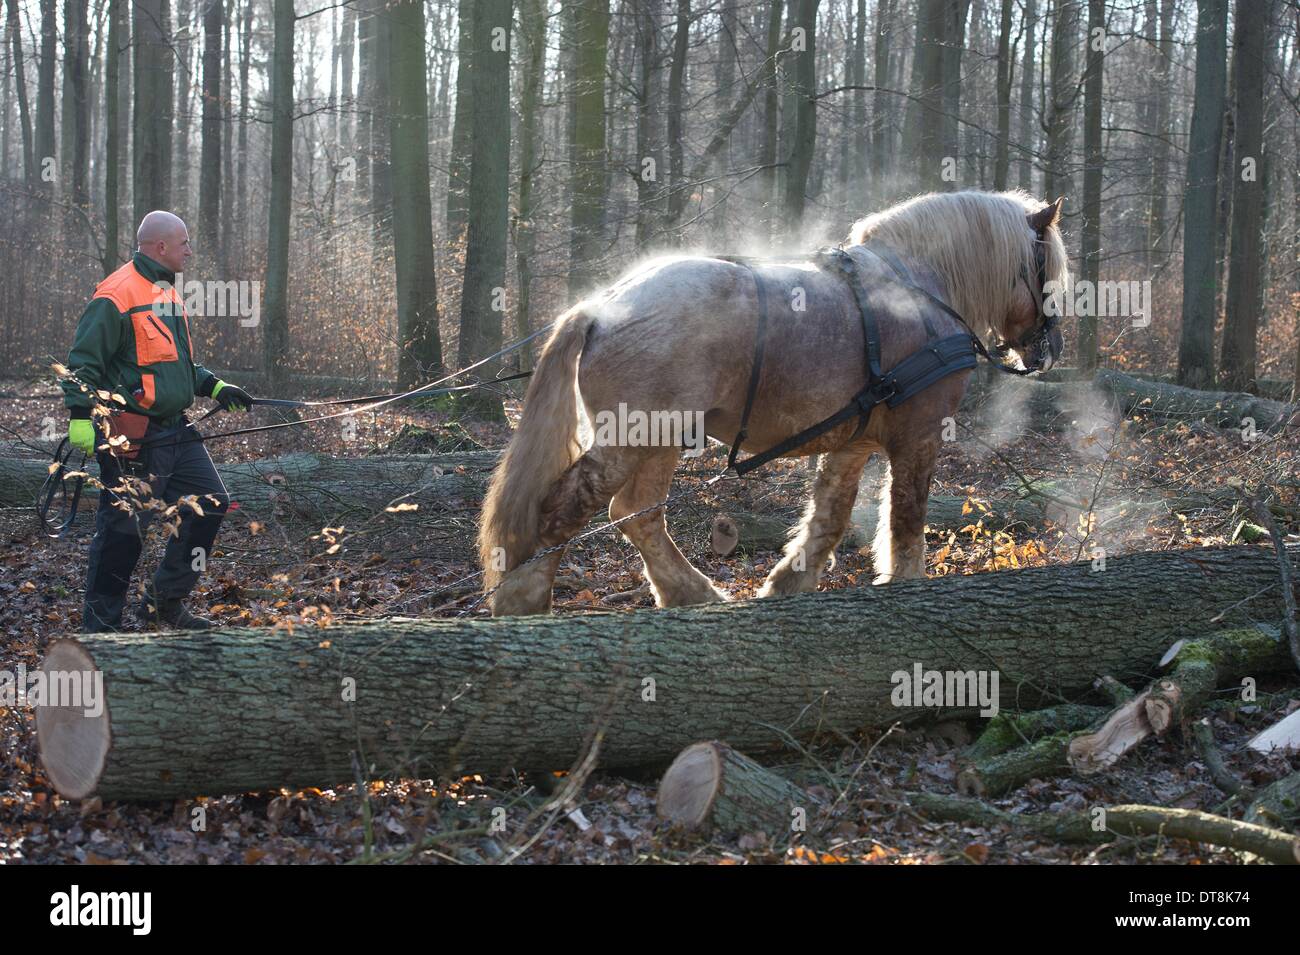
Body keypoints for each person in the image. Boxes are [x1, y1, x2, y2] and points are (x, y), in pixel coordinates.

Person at [62, 211, 254, 632]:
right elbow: (82, 364)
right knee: (122, 534)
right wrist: (80, 416)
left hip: (176, 429)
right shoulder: (115, 295)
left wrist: (215, 386)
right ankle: (101, 630)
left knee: (210, 504)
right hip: (131, 437)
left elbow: (175, 363)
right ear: (160, 247)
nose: (190, 249)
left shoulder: (166, 291)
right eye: (184, 242)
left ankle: (162, 603)